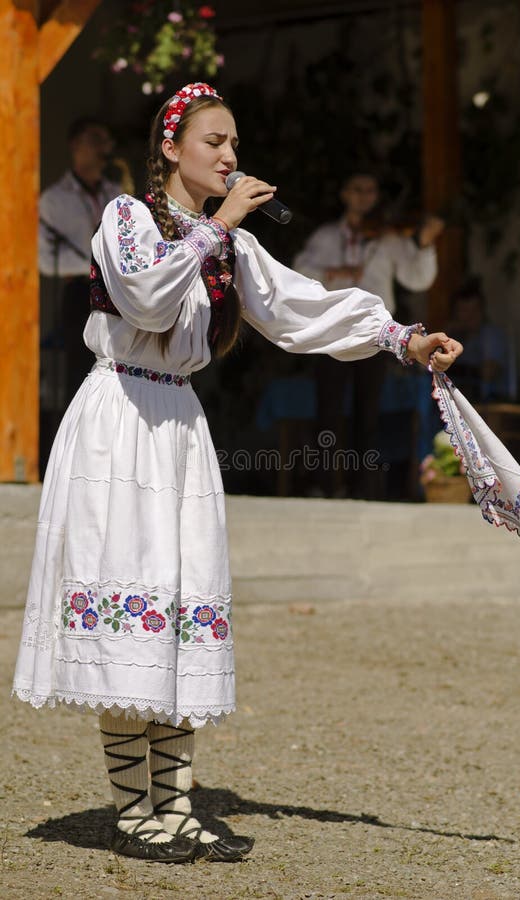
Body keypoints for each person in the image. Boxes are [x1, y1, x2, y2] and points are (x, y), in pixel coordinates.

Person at [13, 83, 462, 864]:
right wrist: (216, 228)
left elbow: (302, 309)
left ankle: (176, 805)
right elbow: (147, 301)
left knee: (181, 599)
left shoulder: (235, 245)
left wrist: (402, 339)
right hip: (118, 417)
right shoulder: (126, 218)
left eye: (233, 144)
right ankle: (133, 810)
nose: (229, 156)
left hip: (177, 424)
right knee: (130, 599)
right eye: (213, 142)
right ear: (170, 147)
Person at [293, 173, 444, 497]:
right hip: (332, 329)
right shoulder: (326, 236)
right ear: (345, 194)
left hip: (375, 333)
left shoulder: (388, 239)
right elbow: (299, 270)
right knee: (329, 408)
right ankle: (325, 485)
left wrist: (425, 243)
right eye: (358, 190)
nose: (365, 197)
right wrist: (333, 272)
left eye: (371, 190)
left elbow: (417, 279)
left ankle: (362, 489)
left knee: (368, 410)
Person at [39, 118, 122, 406]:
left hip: (116, 294)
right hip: (79, 295)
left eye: (106, 140)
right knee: (79, 375)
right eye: (95, 138)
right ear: (75, 145)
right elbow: (46, 262)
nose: (104, 147)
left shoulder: (117, 194)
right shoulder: (53, 199)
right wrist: (96, 265)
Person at [447, 281, 510, 401]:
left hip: (491, 401)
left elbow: (488, 373)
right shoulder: (457, 337)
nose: (471, 316)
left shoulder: (490, 335)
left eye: (475, 310)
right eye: (464, 311)